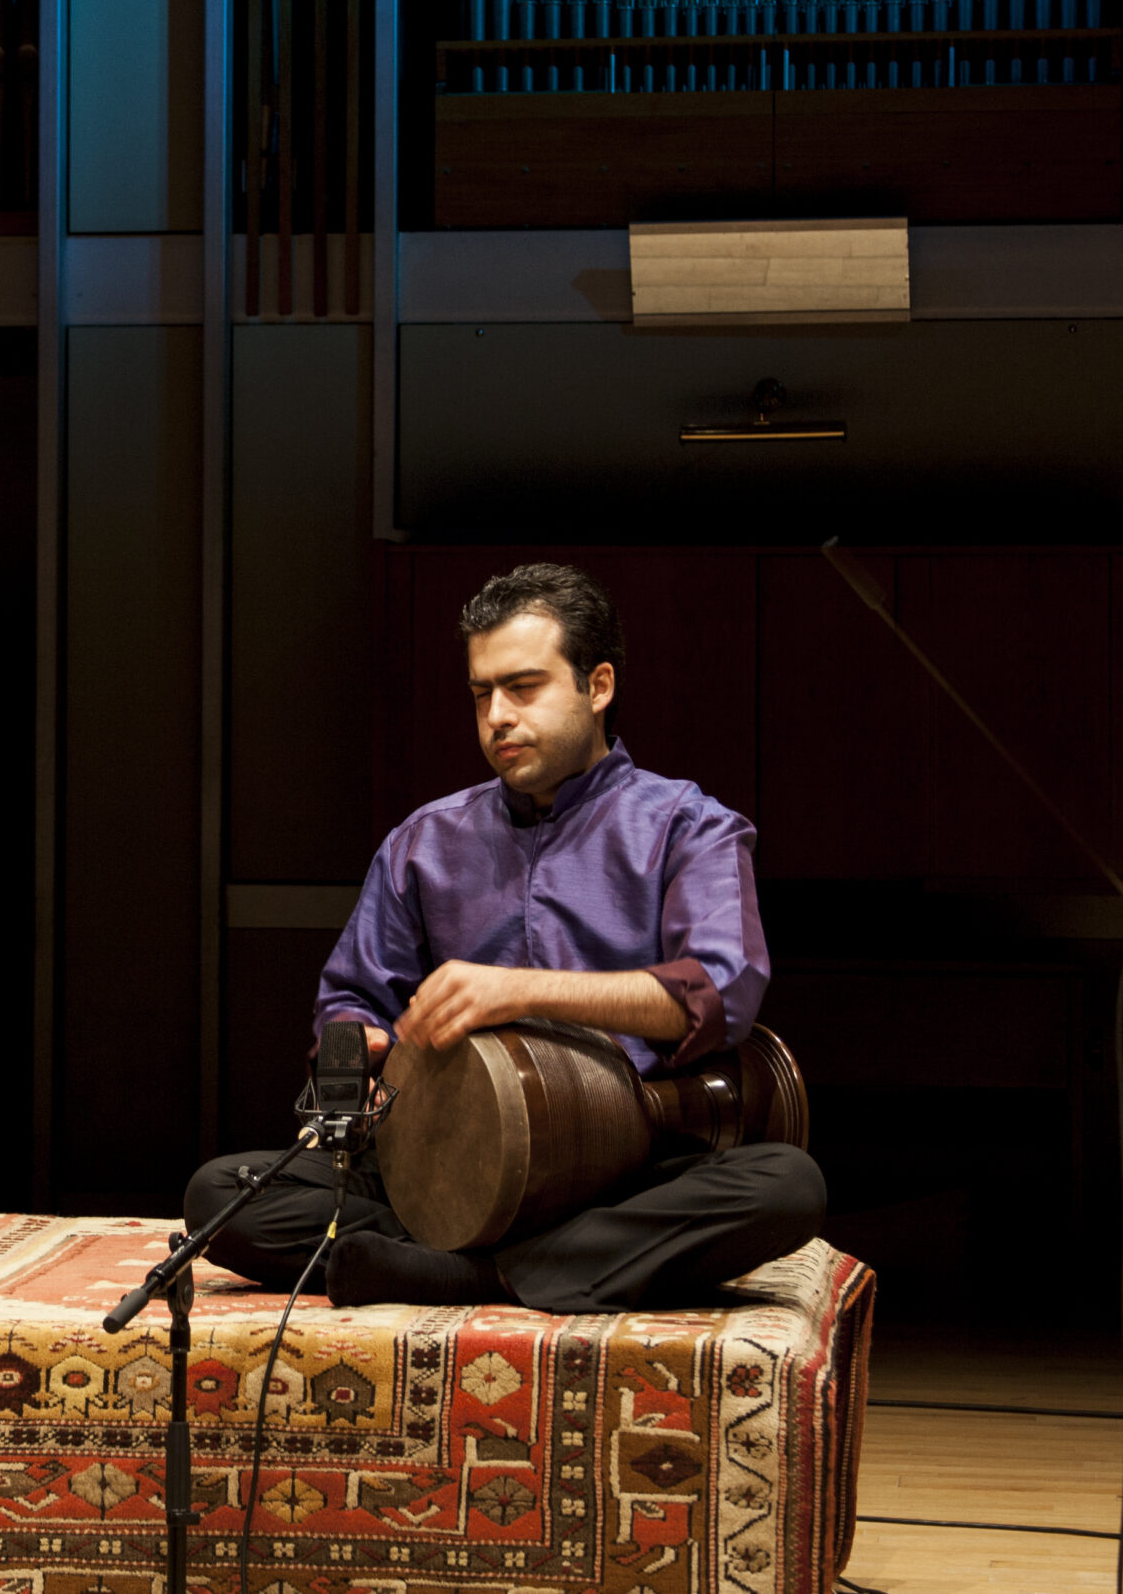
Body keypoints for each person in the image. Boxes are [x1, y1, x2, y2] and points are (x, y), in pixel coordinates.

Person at [184, 563, 822, 1314]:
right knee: (222, 1194)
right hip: (454, 1162)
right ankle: (547, 1267)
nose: (497, 715)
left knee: (784, 1185)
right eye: (482, 693)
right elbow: (352, 1000)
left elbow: (717, 991)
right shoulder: (423, 841)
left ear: (599, 685)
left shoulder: (689, 825)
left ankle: (466, 1274)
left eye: (524, 687)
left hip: (624, 1162)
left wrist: (515, 987)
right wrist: (358, 1053)